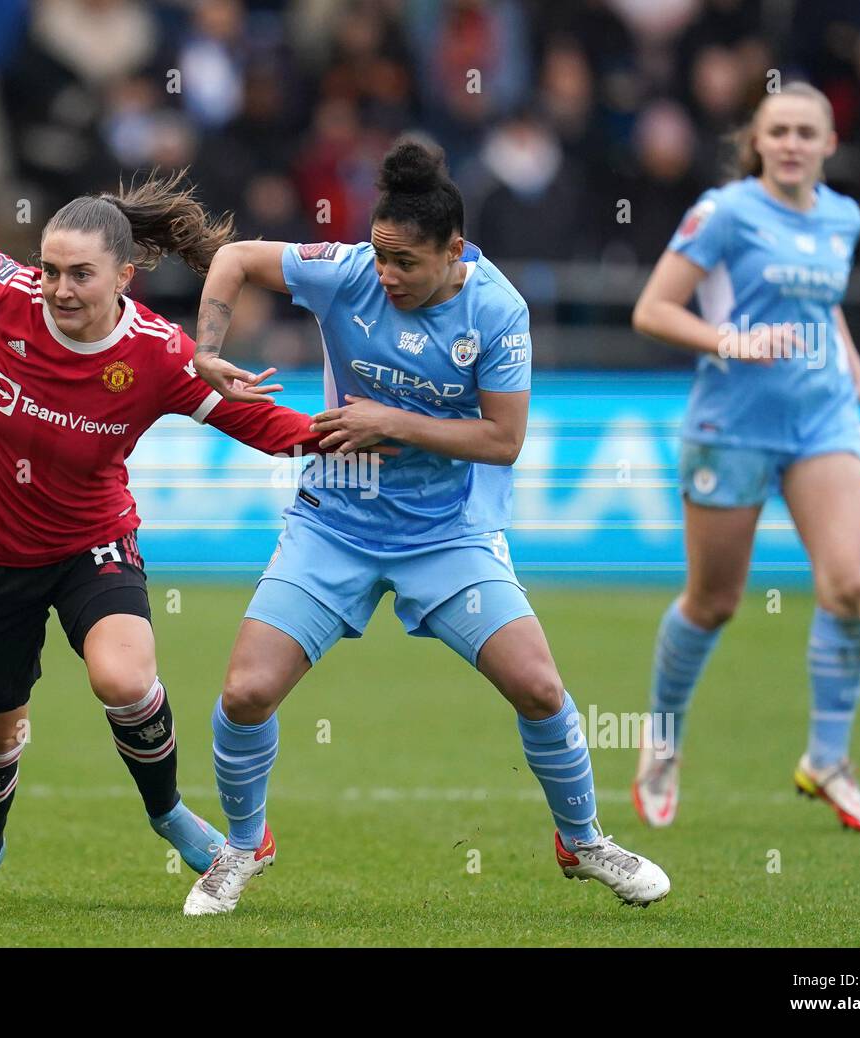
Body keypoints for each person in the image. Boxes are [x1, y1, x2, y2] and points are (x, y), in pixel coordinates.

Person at [0, 41, 328, 901]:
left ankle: (168, 814)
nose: (58, 289)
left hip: (91, 544)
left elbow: (267, 427)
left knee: (124, 677)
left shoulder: (161, 356)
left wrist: (372, 432)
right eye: (50, 269)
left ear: (125, 275)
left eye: (80, 274)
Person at [181, 139, 672, 915]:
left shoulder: (498, 310)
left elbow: (503, 440)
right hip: (334, 522)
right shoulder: (346, 271)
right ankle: (243, 845)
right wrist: (206, 350)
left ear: (454, 251)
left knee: (540, 688)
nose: (384, 276)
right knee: (244, 693)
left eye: (404, 263)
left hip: (445, 533)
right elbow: (237, 257)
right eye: (379, 257)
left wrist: (393, 423)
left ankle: (582, 841)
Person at [630, 83, 860, 833]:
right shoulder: (726, 212)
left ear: (829, 143)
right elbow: (653, 310)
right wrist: (729, 342)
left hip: (822, 420)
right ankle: (662, 740)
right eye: (779, 130)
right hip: (732, 423)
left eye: (807, 132)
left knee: (847, 588)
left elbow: (820, 306)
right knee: (714, 602)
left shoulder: (841, 215)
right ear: (759, 138)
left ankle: (827, 761)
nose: (792, 143)